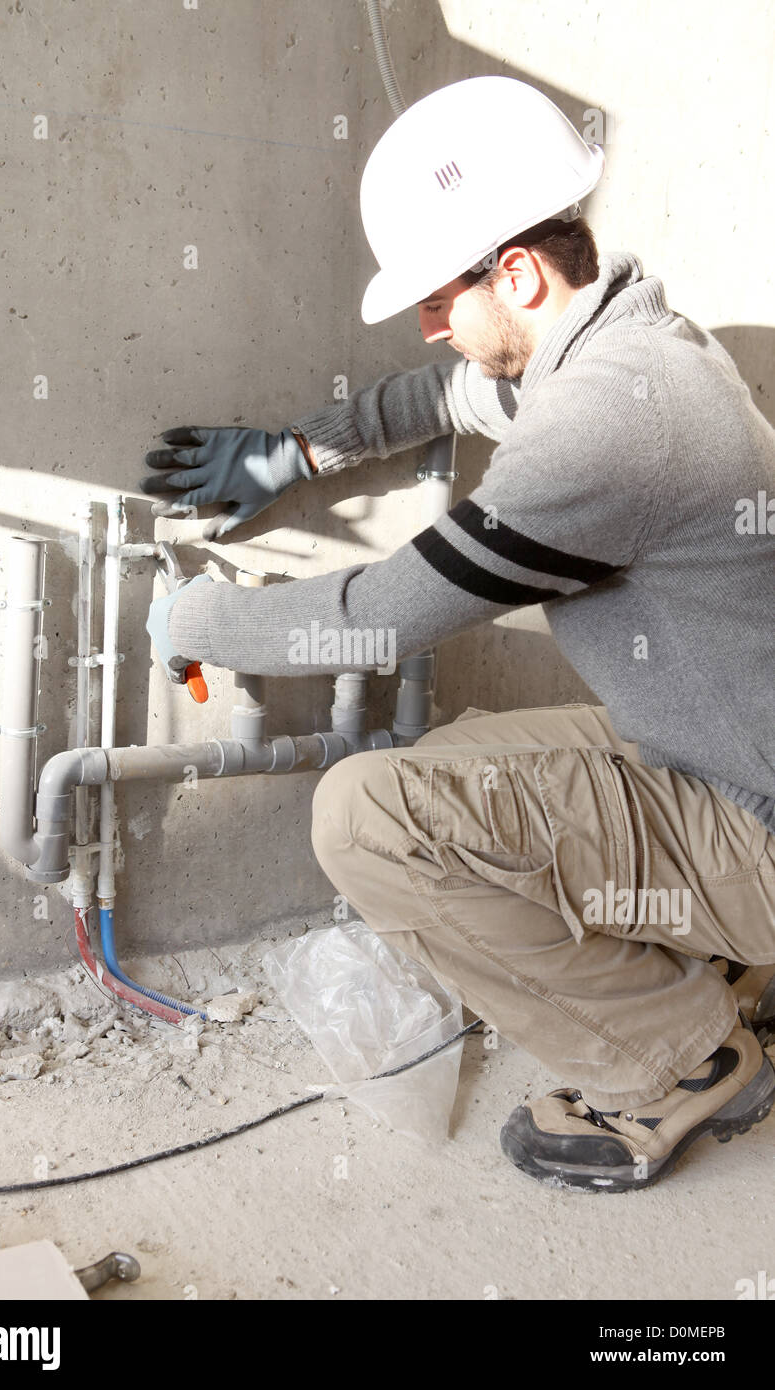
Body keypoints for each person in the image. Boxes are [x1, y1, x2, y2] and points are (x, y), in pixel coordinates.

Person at [140, 76, 775, 1191]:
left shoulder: (602, 434)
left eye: (438, 296)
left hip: (751, 817)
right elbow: (447, 399)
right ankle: (719, 962)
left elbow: (378, 619)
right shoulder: (624, 346)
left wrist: (200, 618)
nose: (430, 323)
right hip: (718, 757)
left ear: (515, 272)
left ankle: (678, 1059)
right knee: (440, 769)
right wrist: (300, 451)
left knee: (368, 818)